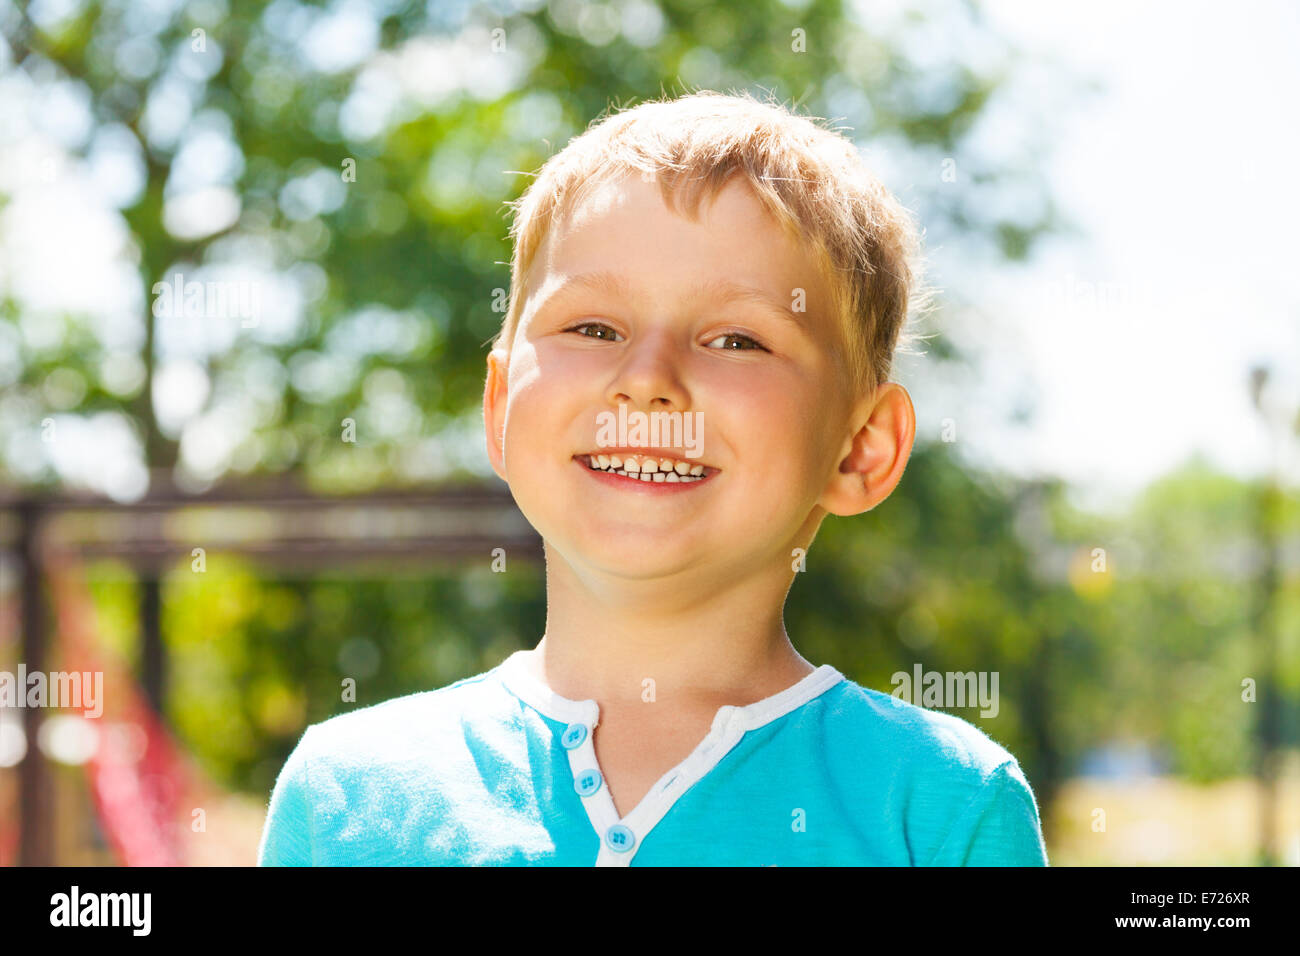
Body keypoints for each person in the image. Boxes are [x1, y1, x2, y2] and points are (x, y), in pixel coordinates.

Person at [258, 90, 1049, 866]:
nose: (647, 378)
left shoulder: (943, 808)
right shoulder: (343, 799)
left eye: (737, 339)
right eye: (593, 327)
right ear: (500, 407)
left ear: (860, 448)